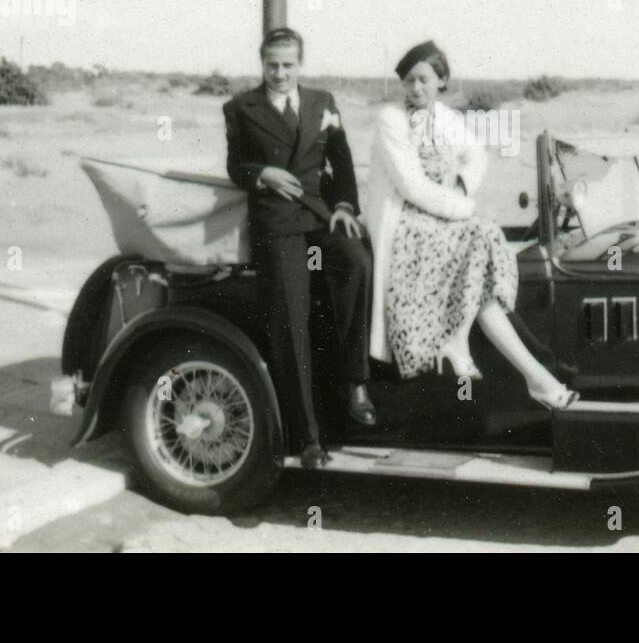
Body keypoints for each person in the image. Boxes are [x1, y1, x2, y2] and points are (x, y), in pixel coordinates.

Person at [364, 40, 578, 409]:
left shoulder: (446, 118)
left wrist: (462, 184)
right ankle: (532, 377)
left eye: (424, 80)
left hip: (443, 220)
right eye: (410, 81)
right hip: (406, 227)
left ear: (441, 80)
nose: (416, 89)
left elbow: (476, 155)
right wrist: (463, 208)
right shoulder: (391, 120)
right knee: (479, 233)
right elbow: (411, 187)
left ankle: (484, 354)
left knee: (483, 245)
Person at [223, 27, 376, 469]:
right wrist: (262, 174)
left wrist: (345, 204)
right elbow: (236, 166)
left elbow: (341, 159)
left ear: (300, 64)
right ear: (261, 62)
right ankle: (308, 438)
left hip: (319, 212)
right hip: (276, 220)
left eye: (288, 64)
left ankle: (356, 384)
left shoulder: (322, 102)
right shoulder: (239, 107)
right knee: (291, 318)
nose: (279, 73)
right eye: (272, 64)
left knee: (356, 262)